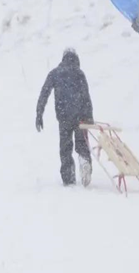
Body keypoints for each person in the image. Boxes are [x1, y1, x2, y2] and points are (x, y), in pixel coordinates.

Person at [36, 49, 95, 187]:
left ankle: (68, 178)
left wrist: (39, 113)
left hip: (64, 117)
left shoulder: (55, 73)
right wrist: (89, 117)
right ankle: (84, 161)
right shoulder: (80, 73)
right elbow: (86, 96)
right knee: (82, 144)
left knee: (65, 148)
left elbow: (44, 93)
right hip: (81, 117)